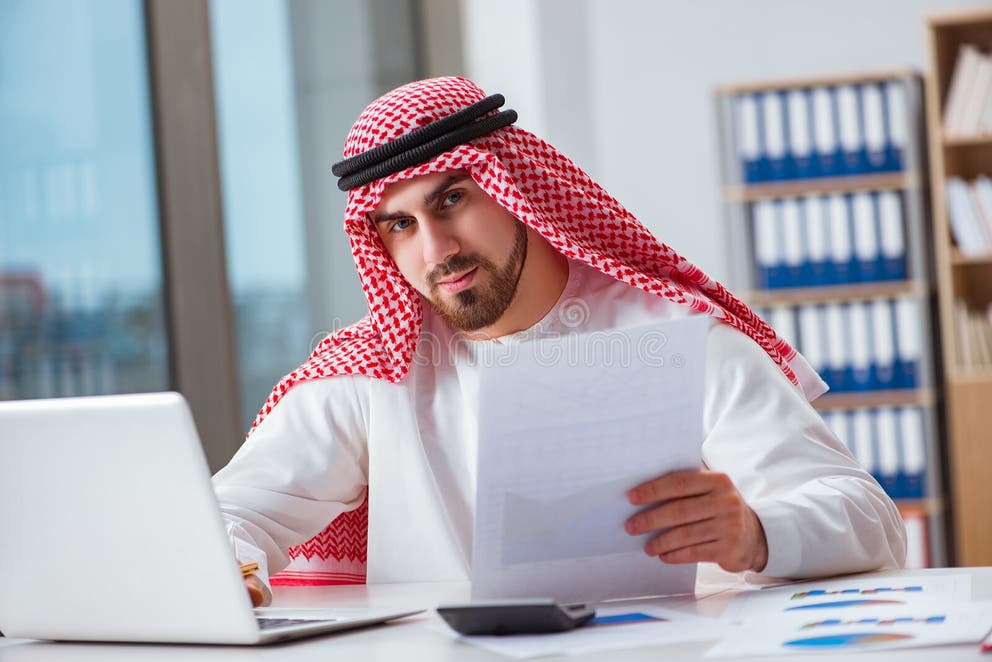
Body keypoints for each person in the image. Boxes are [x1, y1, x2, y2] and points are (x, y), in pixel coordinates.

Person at [213, 77, 906, 608]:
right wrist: (229, 569)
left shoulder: (673, 337)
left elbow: (866, 515)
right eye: (399, 226)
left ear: (511, 185)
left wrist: (755, 532)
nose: (436, 249)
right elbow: (227, 513)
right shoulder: (375, 371)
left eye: (453, 199)